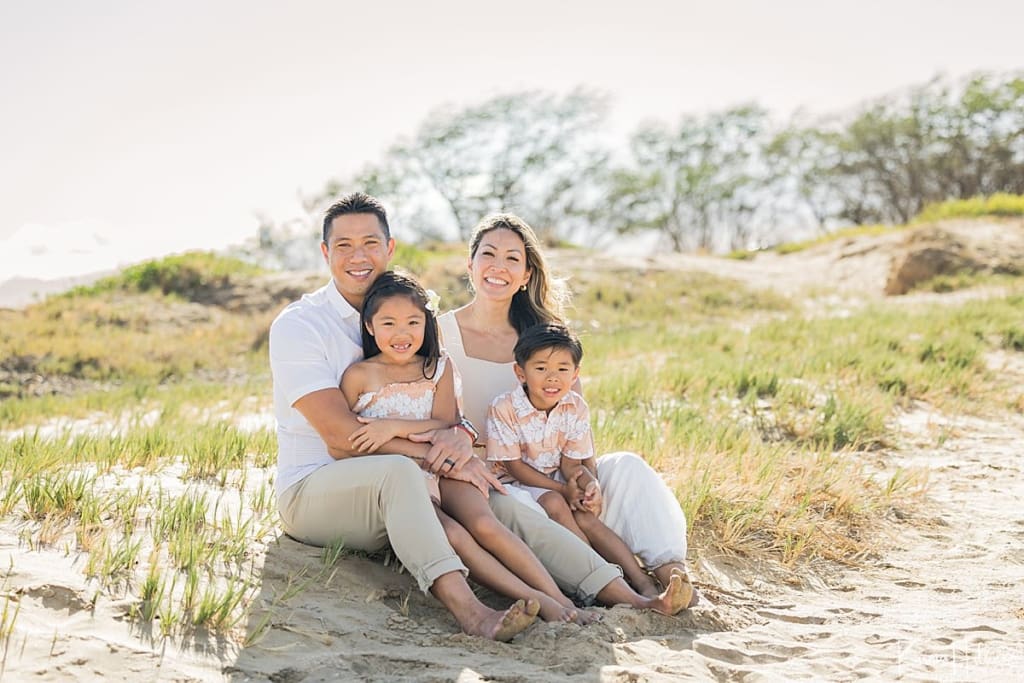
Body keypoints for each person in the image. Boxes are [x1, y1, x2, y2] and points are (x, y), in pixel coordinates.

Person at [269, 192, 538, 641]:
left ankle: (585, 592)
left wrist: (456, 439)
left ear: (389, 249)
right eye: (344, 246)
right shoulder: (300, 325)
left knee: (493, 501)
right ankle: (472, 614)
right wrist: (436, 448)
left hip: (403, 483)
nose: (359, 256)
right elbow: (341, 436)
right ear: (325, 253)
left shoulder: (401, 320)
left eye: (371, 243)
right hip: (313, 490)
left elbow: (440, 406)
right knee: (402, 474)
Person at [437, 213, 696, 600]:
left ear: (526, 274)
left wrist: (586, 480)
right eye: (488, 254)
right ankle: (612, 583)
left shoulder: (545, 338)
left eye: (513, 259)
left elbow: (576, 420)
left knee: (627, 467)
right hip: (494, 478)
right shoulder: (438, 333)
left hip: (556, 467)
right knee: (541, 505)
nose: (498, 267)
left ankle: (671, 571)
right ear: (470, 266)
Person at [339, 270, 586, 623]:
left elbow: (445, 424)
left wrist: (393, 427)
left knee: (486, 524)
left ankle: (560, 597)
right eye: (389, 323)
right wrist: (397, 443)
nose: (402, 334)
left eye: (412, 322)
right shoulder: (358, 376)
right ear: (369, 326)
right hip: (399, 482)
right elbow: (348, 442)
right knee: (454, 533)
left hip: (442, 468)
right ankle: (535, 601)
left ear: (427, 323)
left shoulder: (435, 368)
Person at [486, 322, 663, 598]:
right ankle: (600, 577)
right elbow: (514, 466)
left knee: (587, 516)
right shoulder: (504, 407)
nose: (552, 378)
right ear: (520, 371)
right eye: (541, 368)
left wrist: (587, 483)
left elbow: (572, 463)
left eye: (562, 369)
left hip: (557, 477)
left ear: (575, 373)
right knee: (556, 503)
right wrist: (562, 489)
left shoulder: (575, 406)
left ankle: (641, 580)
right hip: (515, 482)